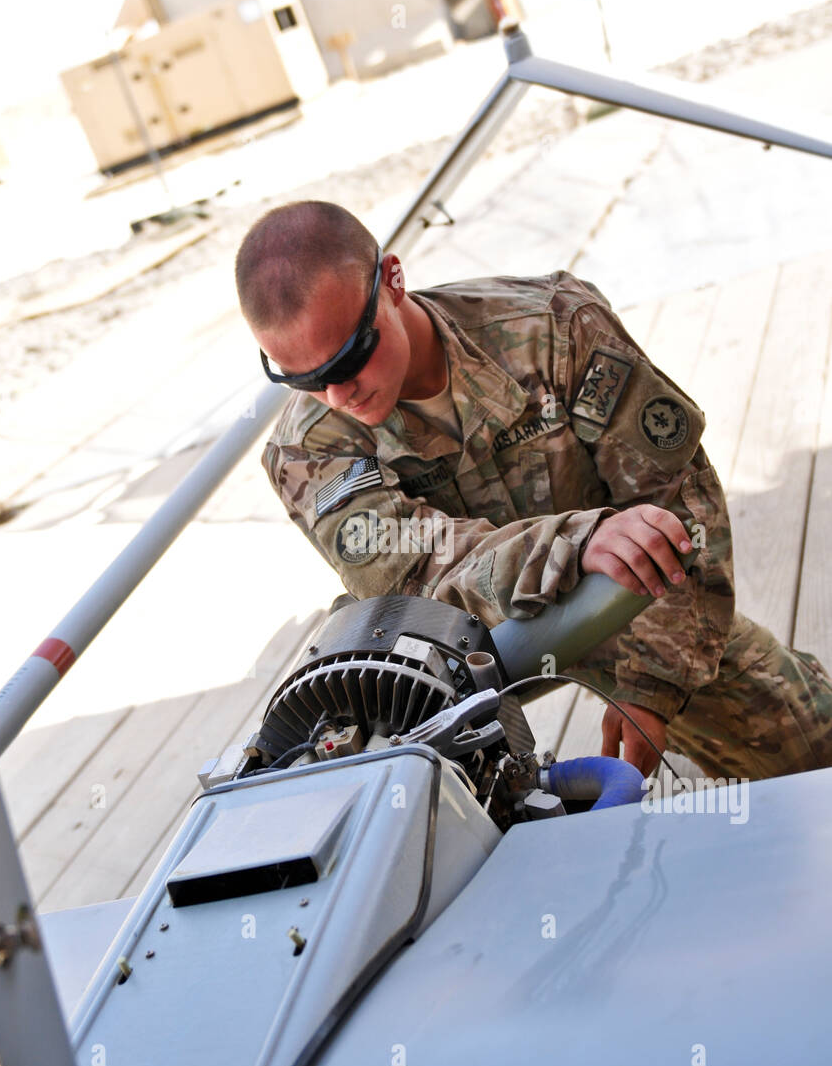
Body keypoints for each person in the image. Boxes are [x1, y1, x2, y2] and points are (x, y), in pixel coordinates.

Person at [235, 199, 832, 780]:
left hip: (620, 596)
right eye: (304, 379)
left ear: (393, 280)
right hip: (460, 653)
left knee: (806, 738)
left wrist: (654, 688)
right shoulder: (305, 448)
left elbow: (682, 504)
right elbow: (415, 575)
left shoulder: (553, 328)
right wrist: (576, 541)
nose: (340, 395)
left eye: (352, 355)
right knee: (396, 813)